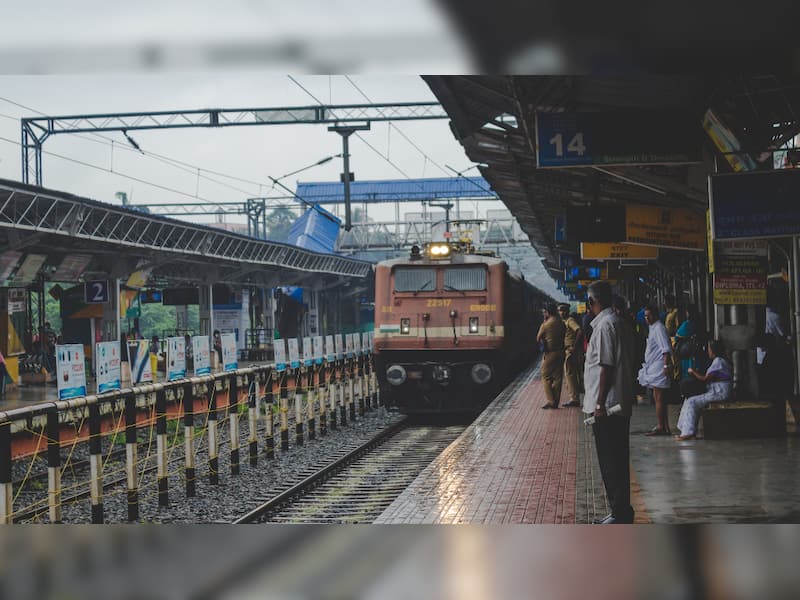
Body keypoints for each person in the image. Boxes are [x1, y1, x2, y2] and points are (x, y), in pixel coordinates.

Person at [583, 281, 634, 524]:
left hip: (609, 406)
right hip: (619, 402)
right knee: (618, 459)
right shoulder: (618, 322)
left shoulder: (604, 327)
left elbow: (606, 367)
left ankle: (619, 514)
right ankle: (621, 511)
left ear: (593, 302)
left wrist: (600, 404)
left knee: (610, 462)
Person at [675, 341, 732, 440]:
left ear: (714, 351)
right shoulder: (719, 361)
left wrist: (693, 372)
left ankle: (688, 432)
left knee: (692, 402)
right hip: (715, 391)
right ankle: (684, 429)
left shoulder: (719, 361)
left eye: (709, 349)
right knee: (689, 399)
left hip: (719, 393)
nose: (708, 352)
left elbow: (705, 378)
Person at [638, 305, 673, 436]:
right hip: (653, 366)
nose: (647, 318)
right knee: (659, 398)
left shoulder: (659, 328)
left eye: (649, 315)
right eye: (645, 316)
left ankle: (661, 426)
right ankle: (665, 426)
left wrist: (665, 366)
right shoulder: (653, 328)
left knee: (659, 398)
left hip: (659, 367)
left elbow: (666, 349)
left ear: (656, 315)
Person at [537, 303, 566, 409]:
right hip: (561, 352)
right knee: (558, 377)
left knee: (545, 375)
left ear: (547, 312)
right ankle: (556, 402)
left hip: (550, 353)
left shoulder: (545, 325)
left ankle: (550, 400)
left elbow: (538, 338)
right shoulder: (561, 323)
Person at [558, 303, 582, 407]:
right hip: (567, 350)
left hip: (570, 351)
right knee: (570, 374)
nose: (561, 312)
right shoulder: (563, 321)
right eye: (560, 310)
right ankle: (573, 397)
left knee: (569, 374)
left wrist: (574, 347)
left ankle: (574, 399)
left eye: (563, 310)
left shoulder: (570, 321)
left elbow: (579, 331)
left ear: (567, 311)